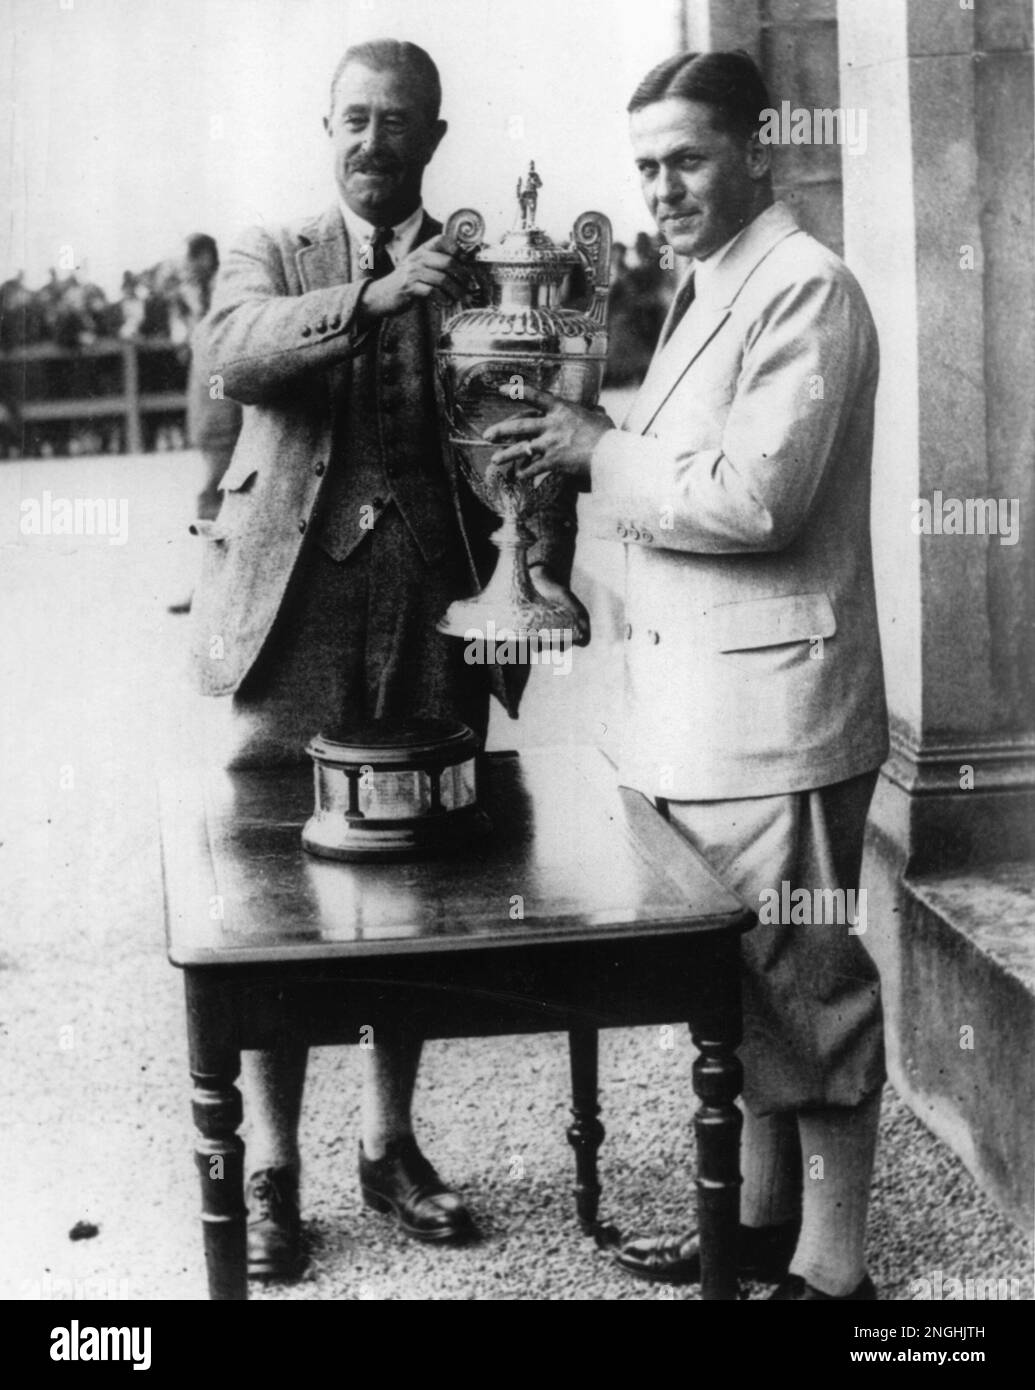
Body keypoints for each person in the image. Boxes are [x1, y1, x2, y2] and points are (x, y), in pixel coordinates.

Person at [485, 49, 888, 1301]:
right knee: (744, 978)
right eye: (647, 165)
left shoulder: (806, 288)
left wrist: (601, 450)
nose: (660, 187)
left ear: (759, 149)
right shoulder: (715, 279)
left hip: (779, 714)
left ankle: (835, 1274)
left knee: (807, 988)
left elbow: (758, 499)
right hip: (705, 712)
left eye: (688, 160)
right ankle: (760, 1226)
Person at [188, 38, 586, 1281]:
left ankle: (389, 1143)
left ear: (434, 133)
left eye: (397, 120)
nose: (372, 140)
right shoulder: (275, 252)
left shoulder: (486, 268)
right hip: (294, 610)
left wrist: (541, 555)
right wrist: (370, 299)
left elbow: (534, 408)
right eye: (354, 118)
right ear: (327, 124)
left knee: (413, 873)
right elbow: (235, 357)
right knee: (276, 895)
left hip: (435, 604)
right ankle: (272, 1168)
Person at [168, 235, 243, 613]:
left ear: (205, 257)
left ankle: (218, 590)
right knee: (215, 495)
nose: (186, 266)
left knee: (216, 495)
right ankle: (215, 587)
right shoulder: (190, 299)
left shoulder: (223, 292)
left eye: (190, 258)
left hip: (222, 409)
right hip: (207, 407)